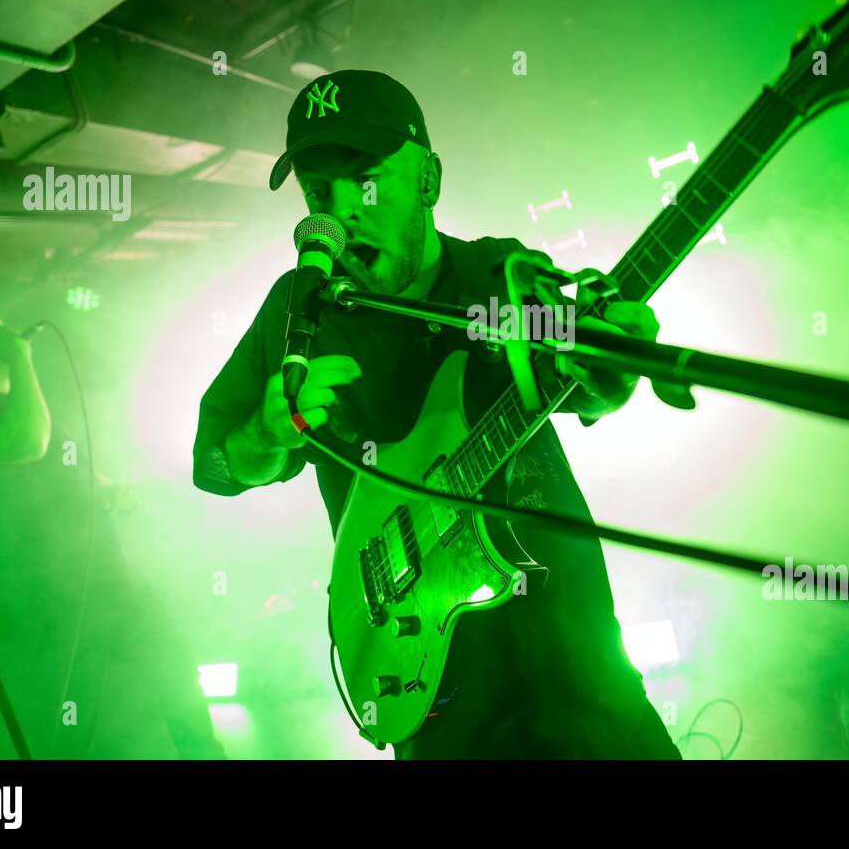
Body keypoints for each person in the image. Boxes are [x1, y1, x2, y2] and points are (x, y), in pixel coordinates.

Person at [194, 70, 680, 759]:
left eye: (364, 180)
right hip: (434, 701)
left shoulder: (500, 277)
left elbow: (591, 384)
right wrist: (265, 436)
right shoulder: (296, 313)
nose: (339, 212)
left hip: (584, 677)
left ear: (428, 180)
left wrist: (612, 372)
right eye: (315, 191)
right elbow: (213, 465)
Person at [0, 298, 223, 759]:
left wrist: (104, 489)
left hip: (102, 577)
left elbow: (57, 469)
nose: (4, 332)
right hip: (37, 597)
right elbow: (27, 445)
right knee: (65, 709)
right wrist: (21, 359)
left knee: (171, 667)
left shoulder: (26, 405)